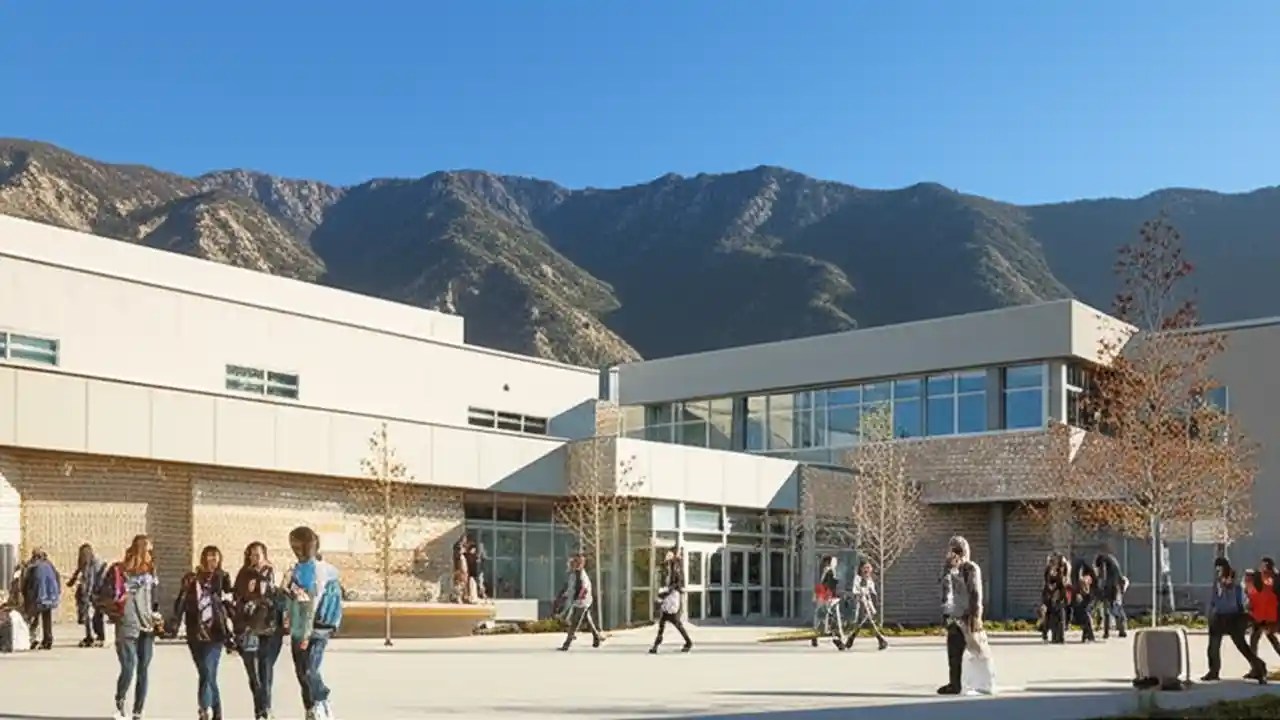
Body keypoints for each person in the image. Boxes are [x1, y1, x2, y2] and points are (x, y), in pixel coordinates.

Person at [284, 526, 342, 720]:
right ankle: (310, 708)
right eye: (294, 546)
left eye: (299, 546)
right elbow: (295, 599)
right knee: (302, 672)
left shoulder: (320, 570)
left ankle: (321, 699)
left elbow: (313, 602)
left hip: (316, 628)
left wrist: (307, 634)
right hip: (298, 627)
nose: (296, 550)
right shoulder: (296, 569)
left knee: (310, 669)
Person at [175, 546, 235, 720]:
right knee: (207, 674)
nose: (212, 561)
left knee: (208, 671)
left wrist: (235, 631)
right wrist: (174, 623)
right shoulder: (192, 579)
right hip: (195, 632)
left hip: (216, 632)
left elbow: (230, 604)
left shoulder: (222, 578)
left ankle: (204, 709)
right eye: (209, 557)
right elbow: (181, 602)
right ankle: (217, 713)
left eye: (215, 557)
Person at [938, 535, 995, 696]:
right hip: (954, 616)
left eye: (958, 550)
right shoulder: (948, 569)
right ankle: (954, 684)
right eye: (952, 550)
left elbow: (976, 593)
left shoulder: (970, 568)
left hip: (967, 616)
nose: (954, 554)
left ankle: (984, 683)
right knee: (953, 653)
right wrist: (946, 614)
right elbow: (945, 592)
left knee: (978, 651)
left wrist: (976, 615)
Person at [112, 534, 161, 720]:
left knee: (143, 669)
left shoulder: (152, 572)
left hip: (147, 626)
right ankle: (120, 699)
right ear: (141, 550)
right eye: (149, 551)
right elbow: (113, 595)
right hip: (127, 624)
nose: (151, 555)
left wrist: (156, 616)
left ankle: (138, 711)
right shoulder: (122, 571)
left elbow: (154, 599)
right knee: (128, 667)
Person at [234, 542, 284, 720]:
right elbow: (237, 599)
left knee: (265, 669)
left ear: (264, 555)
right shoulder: (244, 574)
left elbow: (279, 598)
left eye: (258, 554)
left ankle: (265, 710)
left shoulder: (274, 573)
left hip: (270, 628)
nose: (255, 558)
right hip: (249, 629)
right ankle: (260, 709)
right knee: (254, 674)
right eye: (252, 555)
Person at [1202, 558, 1266, 683]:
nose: (1218, 571)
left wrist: (1227, 585)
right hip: (1219, 616)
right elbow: (1214, 599)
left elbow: (1238, 598)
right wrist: (1210, 613)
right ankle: (1213, 671)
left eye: (1220, 568)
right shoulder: (1217, 581)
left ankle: (1259, 668)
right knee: (1213, 646)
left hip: (1233, 617)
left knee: (1241, 646)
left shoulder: (1233, 581)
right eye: (1217, 568)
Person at [557, 553, 603, 651]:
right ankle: (597, 637)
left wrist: (579, 597)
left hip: (582, 601)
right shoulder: (574, 574)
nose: (571, 563)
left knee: (575, 622)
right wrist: (565, 595)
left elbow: (583, 588)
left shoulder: (580, 575)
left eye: (574, 562)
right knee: (587, 619)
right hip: (579, 600)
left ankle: (567, 644)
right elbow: (571, 588)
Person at [651, 548, 693, 654]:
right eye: (667, 555)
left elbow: (677, 584)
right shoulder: (667, 568)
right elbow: (664, 582)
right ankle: (656, 646)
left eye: (669, 555)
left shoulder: (676, 567)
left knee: (674, 622)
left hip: (673, 598)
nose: (667, 557)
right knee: (663, 622)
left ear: (673, 556)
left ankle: (688, 642)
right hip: (668, 597)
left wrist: (665, 593)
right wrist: (662, 593)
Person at [69, 542, 108, 648]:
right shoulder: (87, 563)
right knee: (89, 617)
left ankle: (99, 637)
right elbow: (82, 575)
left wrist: (90, 594)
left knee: (96, 616)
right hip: (91, 594)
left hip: (97, 593)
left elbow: (92, 580)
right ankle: (90, 636)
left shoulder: (95, 563)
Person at [845, 560, 889, 651]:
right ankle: (881, 640)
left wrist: (875, 600)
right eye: (865, 568)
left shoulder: (869, 579)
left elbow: (872, 591)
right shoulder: (857, 579)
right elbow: (855, 591)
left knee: (861, 622)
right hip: (860, 603)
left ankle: (851, 639)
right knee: (869, 621)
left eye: (869, 567)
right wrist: (859, 596)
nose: (867, 570)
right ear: (861, 569)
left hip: (868, 603)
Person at [22, 548, 60, 650]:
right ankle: (48, 639)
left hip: (39, 596)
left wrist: (27, 596)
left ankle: (32, 638)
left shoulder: (34, 567)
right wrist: (57, 593)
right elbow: (57, 578)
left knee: (34, 618)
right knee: (47, 618)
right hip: (50, 596)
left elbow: (30, 583)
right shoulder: (50, 565)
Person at [1249, 558, 1280, 660]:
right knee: (1259, 638)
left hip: (1267, 615)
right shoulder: (1269, 577)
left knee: (1258, 638)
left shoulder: (1272, 579)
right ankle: (1254, 663)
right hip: (1264, 614)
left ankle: (1254, 663)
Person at [1094, 547, 1128, 640]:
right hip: (1116, 587)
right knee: (1115, 608)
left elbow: (1103, 575)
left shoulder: (1104, 562)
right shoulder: (1112, 560)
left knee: (1107, 611)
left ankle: (1106, 633)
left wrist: (1100, 586)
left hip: (1109, 588)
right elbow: (1119, 575)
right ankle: (1121, 630)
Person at [811, 555, 844, 649]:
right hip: (828, 597)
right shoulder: (830, 572)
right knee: (828, 617)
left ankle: (817, 635)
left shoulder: (829, 572)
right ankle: (836, 637)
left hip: (828, 597)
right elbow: (826, 585)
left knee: (824, 617)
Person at [1041, 554, 1071, 644]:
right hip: (1056, 596)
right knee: (1056, 616)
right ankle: (1056, 637)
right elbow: (1049, 582)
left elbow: (1059, 583)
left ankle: (1058, 637)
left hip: (1058, 596)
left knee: (1057, 616)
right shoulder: (1054, 570)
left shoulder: (1061, 571)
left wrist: (1053, 590)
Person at [1073, 560, 1098, 643]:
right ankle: (1087, 636)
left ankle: (1089, 636)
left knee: (1085, 616)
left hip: (1088, 598)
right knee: (1085, 617)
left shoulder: (1086, 578)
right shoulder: (1090, 577)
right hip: (1088, 598)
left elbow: (1086, 590)